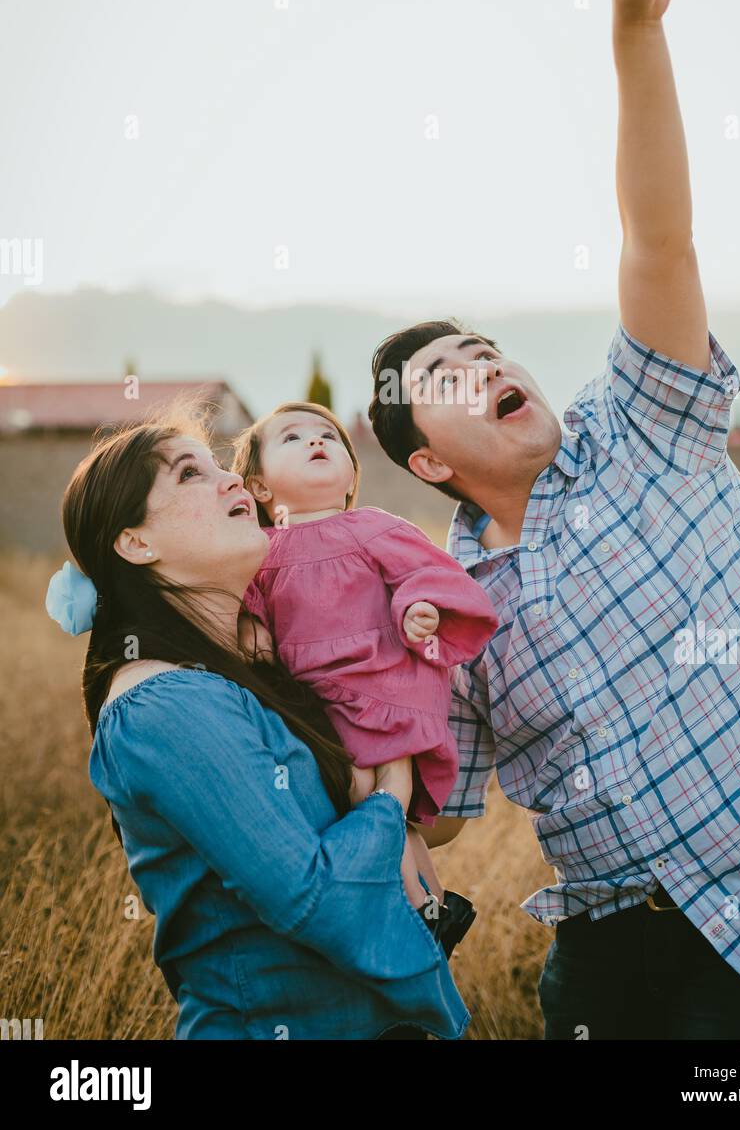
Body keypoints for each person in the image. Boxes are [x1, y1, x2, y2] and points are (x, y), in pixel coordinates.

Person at [366, 0, 740, 1039]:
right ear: (428, 459)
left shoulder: (645, 422)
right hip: (603, 932)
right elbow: (440, 806)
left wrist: (632, 30)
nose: (482, 363)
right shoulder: (444, 600)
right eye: (445, 374)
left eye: (483, 346)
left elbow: (657, 241)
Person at [45, 402, 470, 1040]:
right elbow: (313, 896)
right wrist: (392, 791)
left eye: (221, 466)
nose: (230, 480)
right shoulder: (160, 706)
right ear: (135, 542)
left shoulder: (258, 672)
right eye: (190, 474)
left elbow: (432, 827)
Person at [231, 398, 497, 951]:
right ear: (258, 487)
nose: (315, 441)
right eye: (292, 438)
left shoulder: (372, 528)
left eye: (326, 434)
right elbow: (243, 603)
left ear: (352, 473)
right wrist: (252, 628)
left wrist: (417, 607)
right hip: (313, 700)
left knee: (366, 790)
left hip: (381, 684)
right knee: (375, 804)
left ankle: (416, 913)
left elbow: (432, 575)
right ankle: (430, 905)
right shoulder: (256, 552)